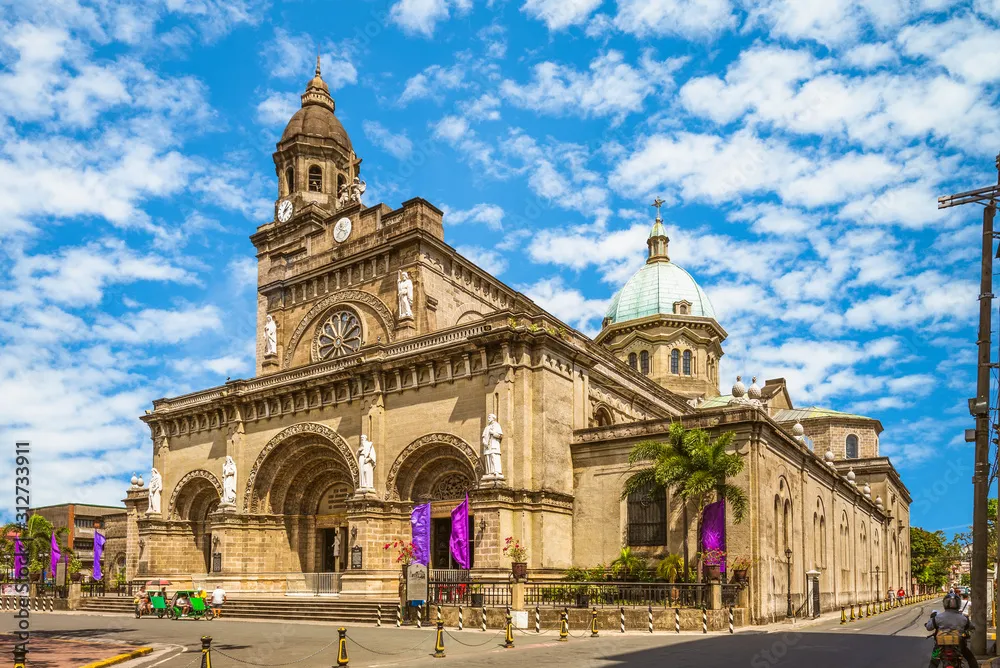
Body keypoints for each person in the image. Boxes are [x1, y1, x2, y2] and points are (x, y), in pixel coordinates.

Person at [925, 593, 977, 668]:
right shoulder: (963, 618)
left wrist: (931, 618)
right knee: (971, 658)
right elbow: (972, 627)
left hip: (940, 645)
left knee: (933, 661)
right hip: (959, 645)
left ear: (945, 604)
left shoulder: (938, 617)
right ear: (958, 604)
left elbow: (929, 627)